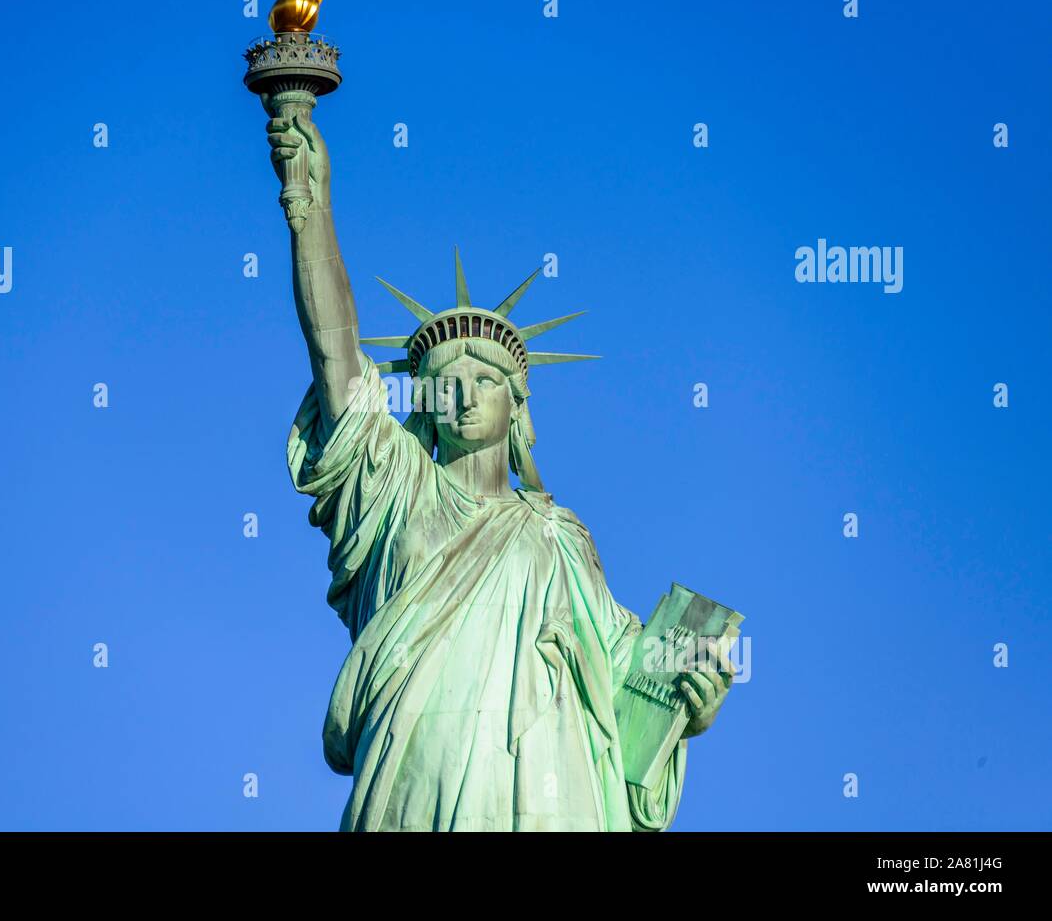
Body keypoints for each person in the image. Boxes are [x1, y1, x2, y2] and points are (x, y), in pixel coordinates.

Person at [267, 102, 733, 832]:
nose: (460, 395)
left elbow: (622, 677)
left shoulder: (558, 536)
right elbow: (334, 354)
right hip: (418, 770)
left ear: (518, 409)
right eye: (443, 383)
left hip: (552, 786)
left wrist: (689, 692)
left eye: (482, 380)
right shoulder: (393, 489)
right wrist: (309, 204)